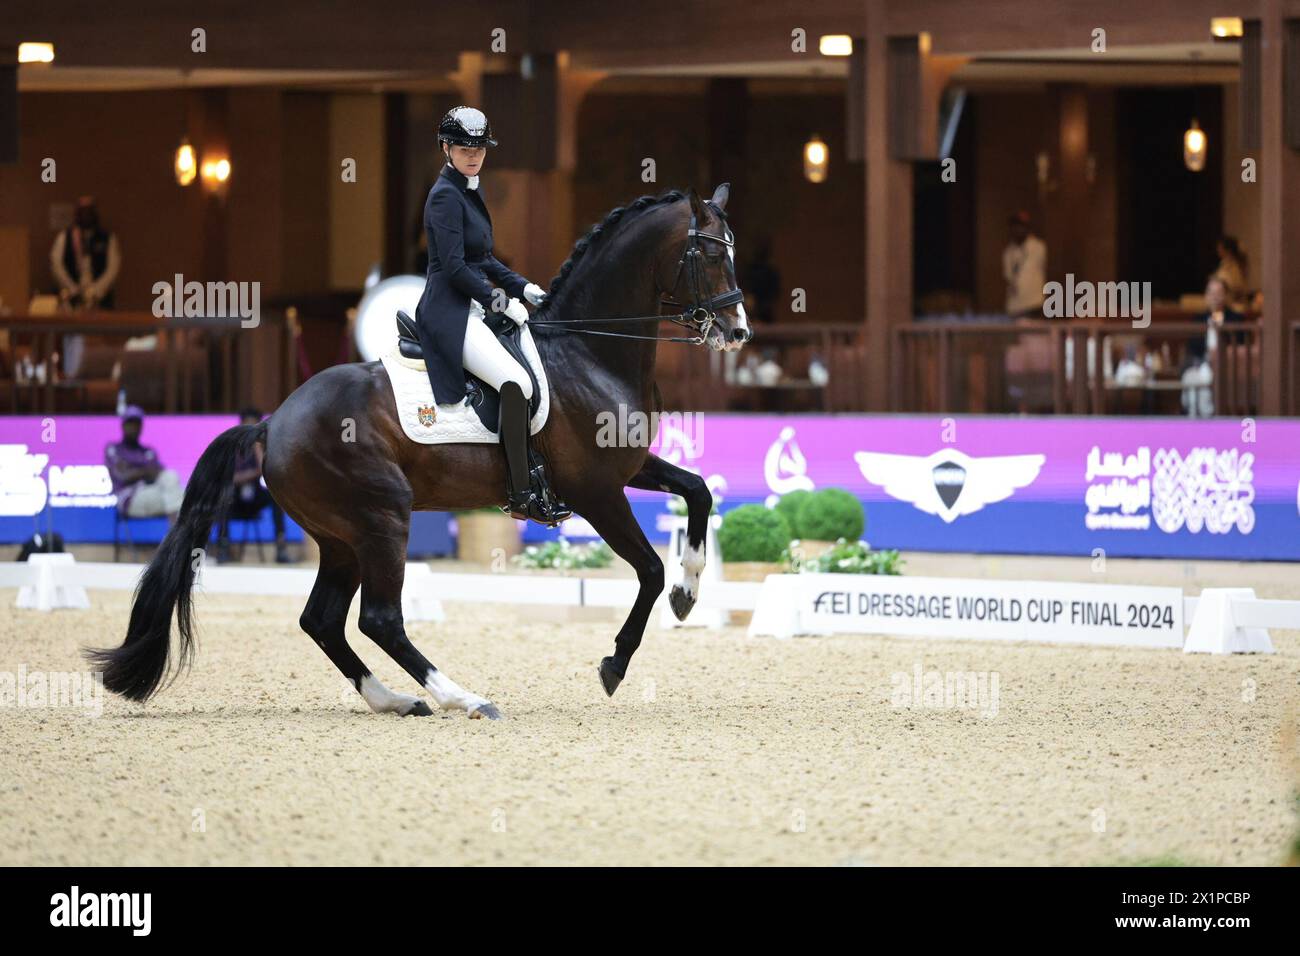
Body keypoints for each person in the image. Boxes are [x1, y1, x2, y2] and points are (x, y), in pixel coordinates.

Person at [414, 106, 570, 525]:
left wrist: (524, 287)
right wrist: (498, 300)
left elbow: (483, 259)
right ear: (446, 148)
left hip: (476, 305)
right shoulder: (445, 196)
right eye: (464, 147)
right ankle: (520, 491)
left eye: (479, 148)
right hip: (451, 311)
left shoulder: (470, 190)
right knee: (516, 381)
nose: (473, 154)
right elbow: (454, 267)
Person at [50, 196, 121, 377]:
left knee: (99, 341)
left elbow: (113, 266)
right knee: (71, 339)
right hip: (73, 300)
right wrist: (73, 289)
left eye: (89, 212)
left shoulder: (107, 238)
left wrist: (96, 291)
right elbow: (57, 265)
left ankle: (99, 376)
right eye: (83, 212)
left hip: (99, 300)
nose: (86, 216)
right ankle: (70, 374)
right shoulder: (65, 237)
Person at [216, 407, 291, 564]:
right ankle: (223, 549)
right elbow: (229, 479)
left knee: (276, 498)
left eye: (254, 426)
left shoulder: (266, 447)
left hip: (256, 496)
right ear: (241, 425)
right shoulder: (231, 447)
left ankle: (281, 548)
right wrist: (252, 473)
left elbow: (267, 476)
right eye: (247, 425)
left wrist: (258, 448)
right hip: (235, 498)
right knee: (224, 495)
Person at [1181, 276, 1245, 417]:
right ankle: (1193, 419)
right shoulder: (1198, 319)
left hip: (1226, 366)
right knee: (1191, 378)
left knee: (1205, 383)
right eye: (1211, 293)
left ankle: (1207, 422)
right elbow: (1192, 347)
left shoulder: (1236, 319)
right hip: (1201, 364)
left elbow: (1240, 345)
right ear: (1206, 296)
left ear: (1226, 296)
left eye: (1219, 293)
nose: (1215, 297)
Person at [105, 406, 183, 520]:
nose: (133, 427)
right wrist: (147, 471)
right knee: (182, 499)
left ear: (141, 427)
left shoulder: (148, 452)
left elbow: (160, 474)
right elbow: (124, 476)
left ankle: (177, 535)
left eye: (137, 424)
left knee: (172, 479)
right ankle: (178, 536)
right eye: (130, 423)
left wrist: (134, 469)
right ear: (123, 425)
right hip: (129, 499)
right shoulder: (114, 449)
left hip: (152, 491)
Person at [1002, 211, 1047, 319]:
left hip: (1033, 305)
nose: (1018, 230)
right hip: (1014, 306)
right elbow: (1008, 277)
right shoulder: (1008, 252)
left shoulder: (1038, 247)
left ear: (1028, 228)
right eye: (1015, 226)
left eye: (1021, 226)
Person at [742, 237, 781, 325]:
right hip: (747, 317)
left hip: (765, 318)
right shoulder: (749, 270)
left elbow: (774, 296)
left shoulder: (771, 272)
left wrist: (759, 310)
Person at [1211, 235, 1249, 310]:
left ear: (1228, 250)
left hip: (1231, 305)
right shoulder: (1223, 264)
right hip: (1222, 303)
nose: (1218, 250)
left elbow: (1237, 286)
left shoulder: (1234, 265)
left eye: (1220, 248)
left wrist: (1223, 284)